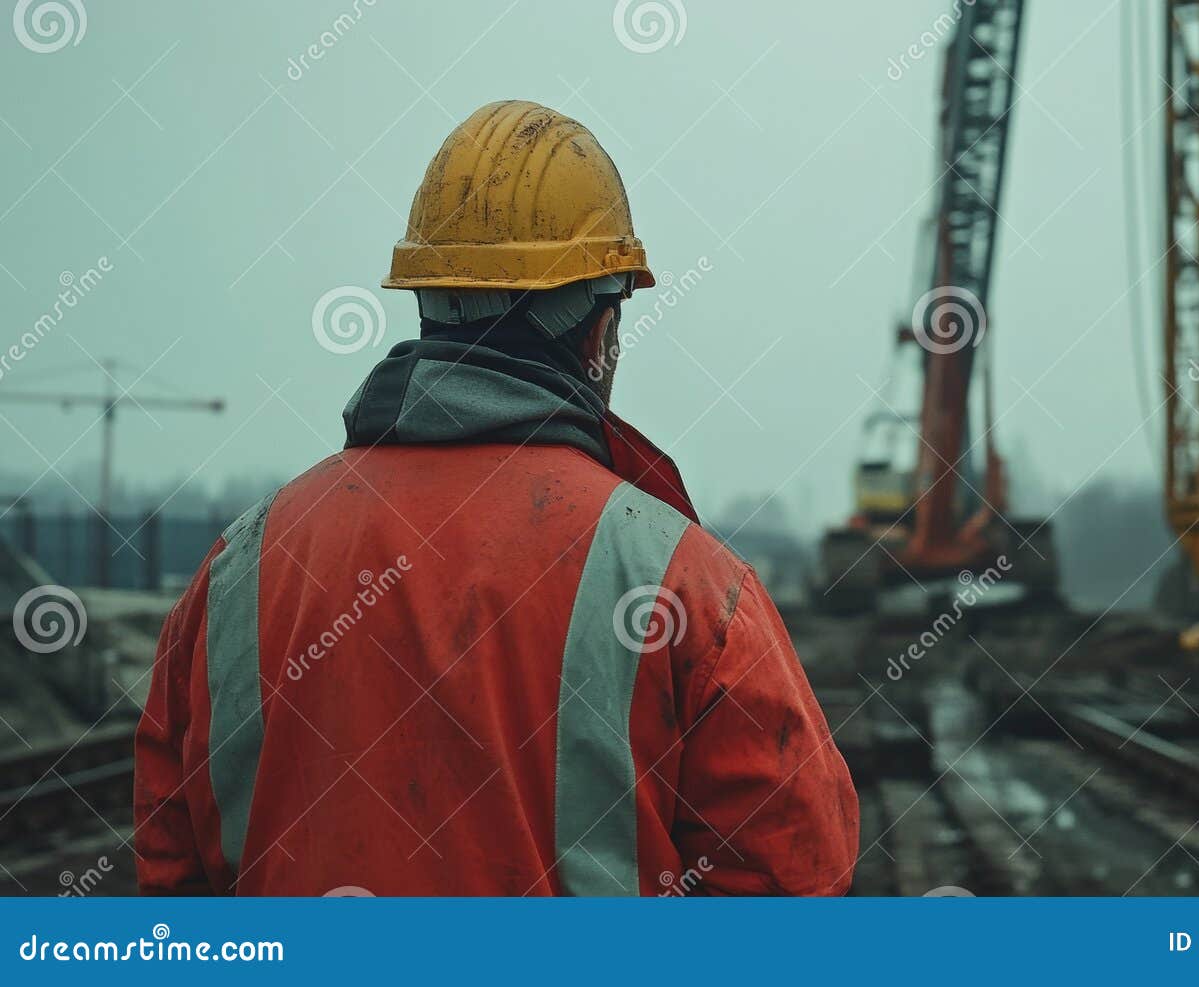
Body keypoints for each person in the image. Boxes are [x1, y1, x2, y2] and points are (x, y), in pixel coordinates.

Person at [134, 100, 858, 896]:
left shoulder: (239, 568)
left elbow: (171, 876)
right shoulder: (682, 580)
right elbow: (794, 875)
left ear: (427, 301)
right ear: (598, 331)